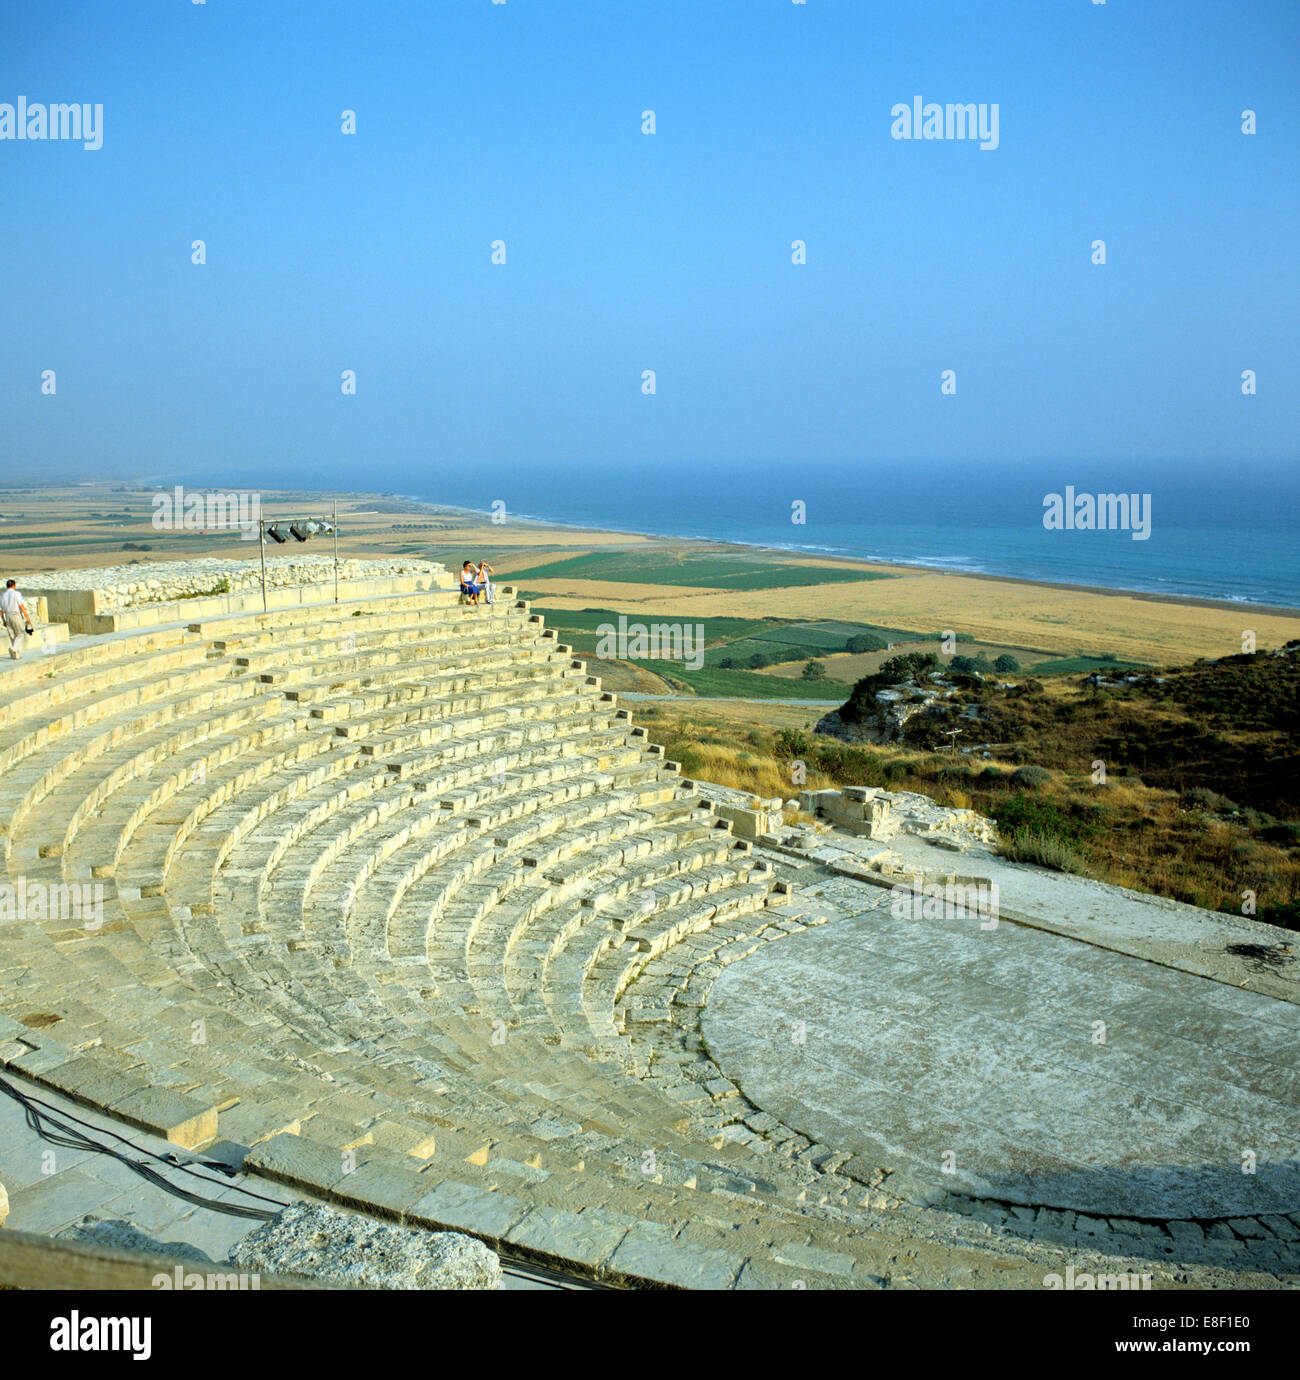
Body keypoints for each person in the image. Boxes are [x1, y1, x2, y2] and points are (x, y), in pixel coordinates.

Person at [2, 578, 33, 660]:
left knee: (12, 635)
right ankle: (14, 649)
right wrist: (27, 617)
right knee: (20, 634)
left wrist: (3, 620)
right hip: (15, 614)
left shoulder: (2, 595)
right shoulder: (16, 594)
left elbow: (1, 610)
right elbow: (21, 606)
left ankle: (15, 655)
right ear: (14, 586)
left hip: (7, 615)